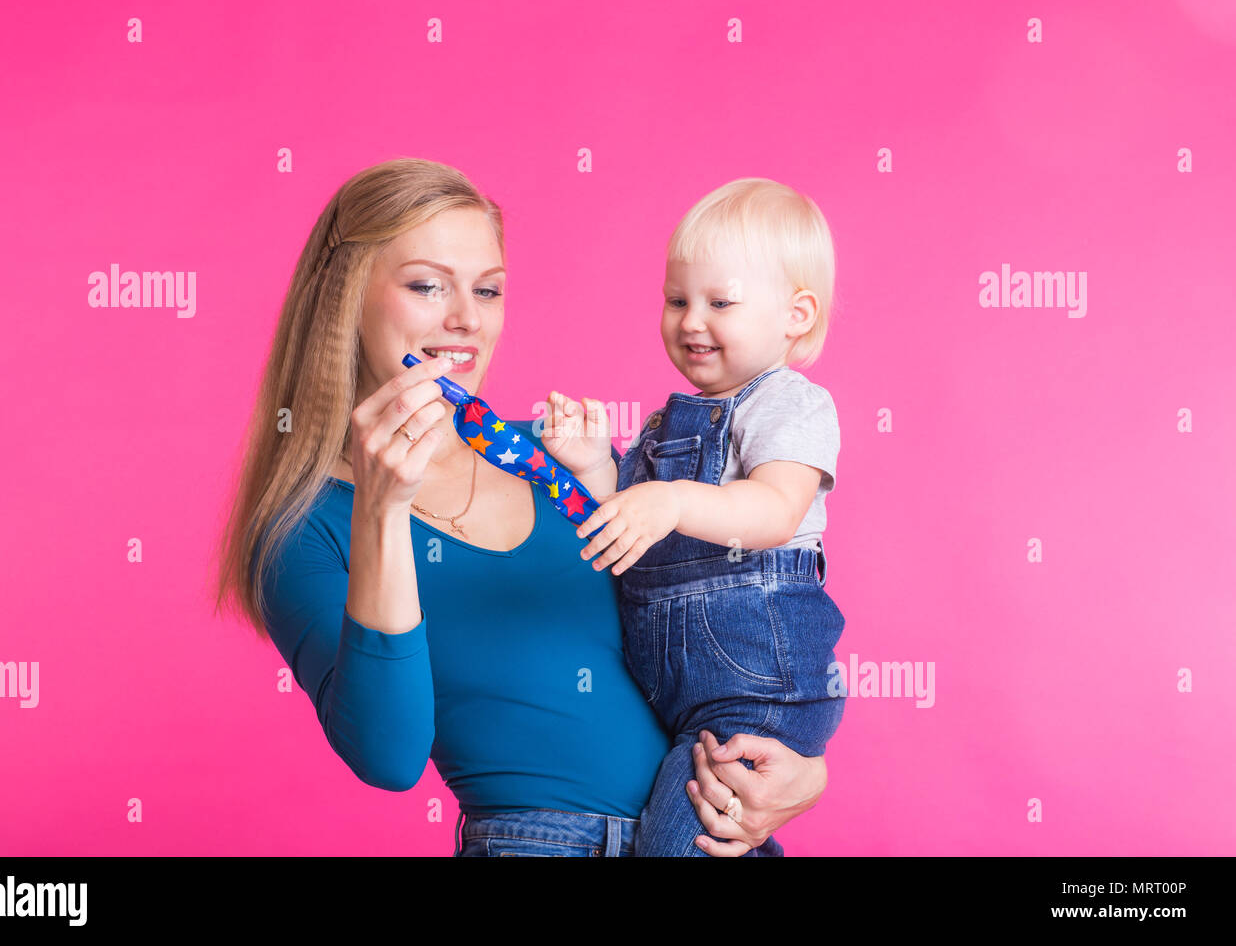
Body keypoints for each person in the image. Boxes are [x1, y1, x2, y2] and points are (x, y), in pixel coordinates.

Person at [213, 158, 830, 856]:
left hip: (698, 833)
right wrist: (382, 513)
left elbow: (711, 622)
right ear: (345, 301)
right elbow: (388, 756)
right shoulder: (305, 530)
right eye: (426, 286)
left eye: (488, 289)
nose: (465, 320)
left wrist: (802, 764)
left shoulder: (557, 459)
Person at [545, 178, 846, 856]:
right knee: (715, 838)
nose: (690, 321)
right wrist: (593, 463)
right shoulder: (662, 428)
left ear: (796, 314)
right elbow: (627, 530)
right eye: (676, 300)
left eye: (720, 302)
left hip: (756, 697)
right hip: (674, 700)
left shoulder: (789, 407)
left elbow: (773, 511)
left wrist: (674, 499)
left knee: (677, 843)